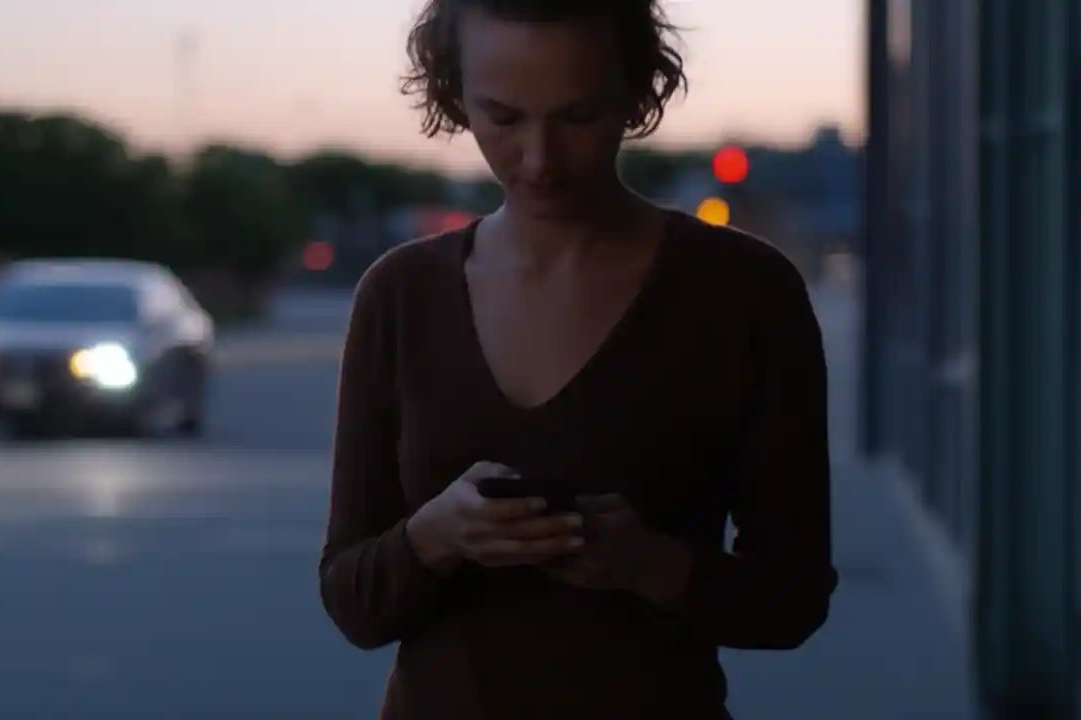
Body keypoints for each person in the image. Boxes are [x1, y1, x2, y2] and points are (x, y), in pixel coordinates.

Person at [318, 0, 838, 717]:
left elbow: (794, 601)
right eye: (503, 117)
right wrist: (434, 537)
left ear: (637, 92)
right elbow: (352, 601)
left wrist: (649, 564)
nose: (540, 160)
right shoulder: (401, 295)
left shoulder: (745, 294)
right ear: (455, 96)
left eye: (577, 116)